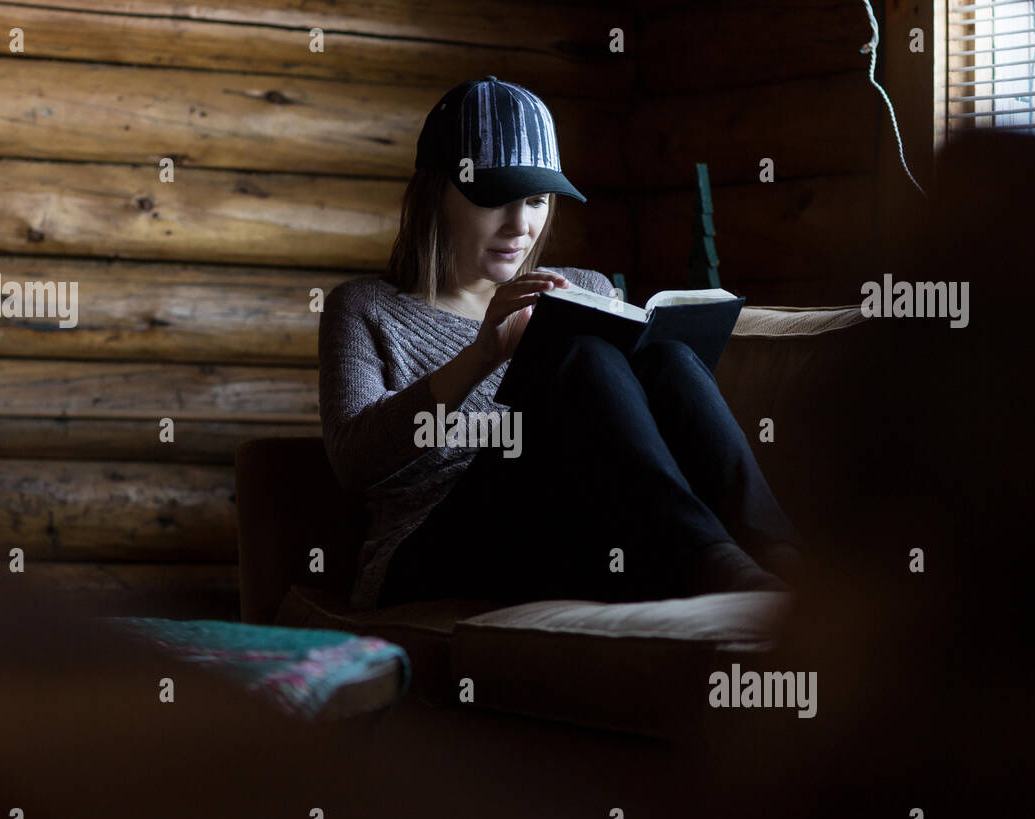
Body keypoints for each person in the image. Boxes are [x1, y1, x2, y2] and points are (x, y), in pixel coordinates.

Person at [318, 76, 804, 611]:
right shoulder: (365, 306)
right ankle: (711, 562)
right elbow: (353, 462)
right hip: (432, 546)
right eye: (496, 199)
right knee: (585, 355)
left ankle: (782, 558)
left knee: (667, 357)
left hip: (579, 524)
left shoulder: (586, 286)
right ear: (436, 192)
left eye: (536, 200)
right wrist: (483, 354)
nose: (520, 226)